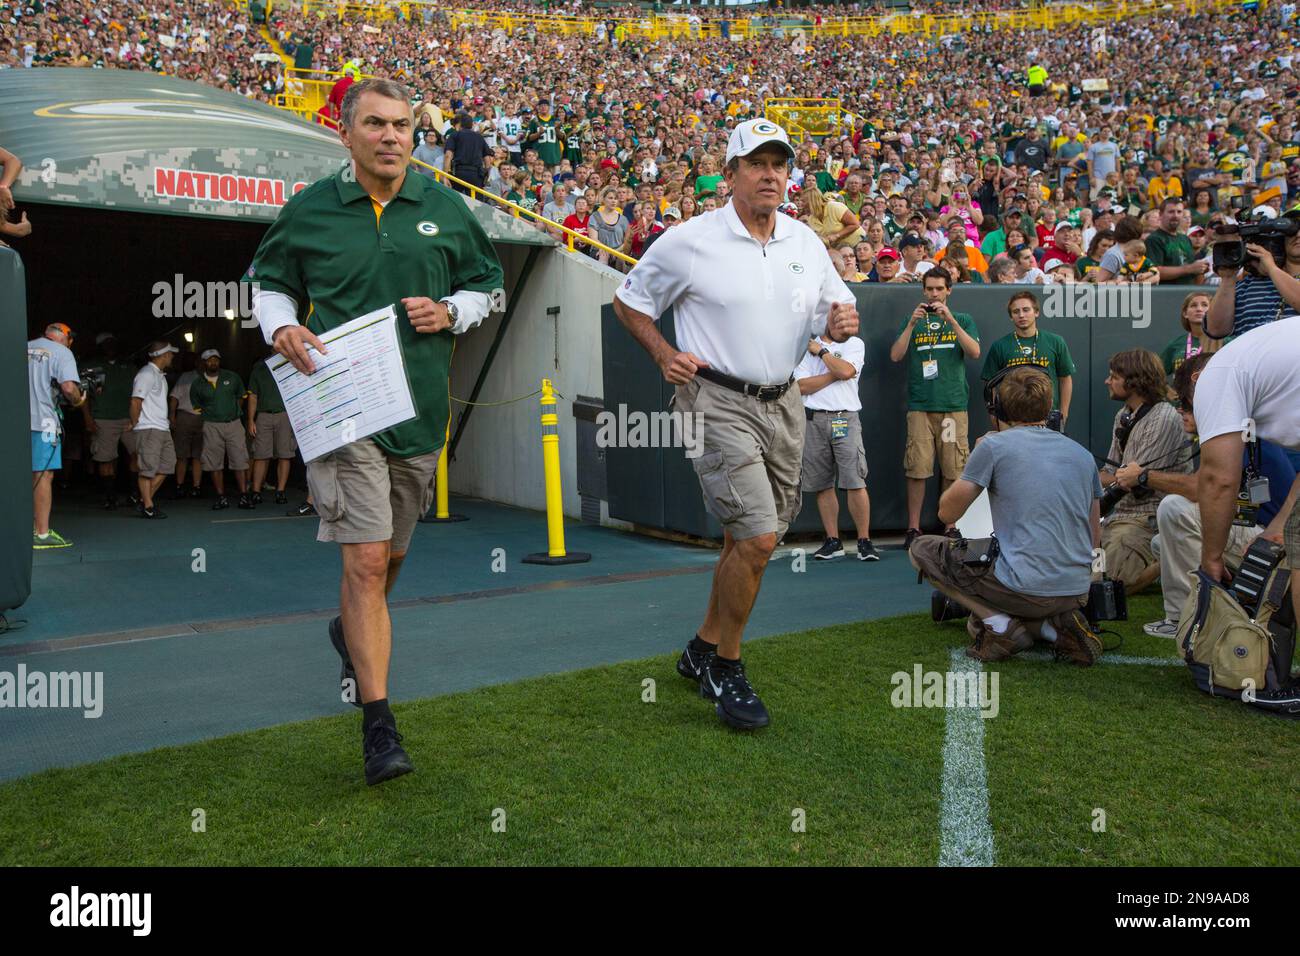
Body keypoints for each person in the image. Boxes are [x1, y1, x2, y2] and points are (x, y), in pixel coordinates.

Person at [247, 78, 503, 785]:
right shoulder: (310, 210)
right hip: (342, 409)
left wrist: (454, 310)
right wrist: (284, 324)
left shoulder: (445, 207)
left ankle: (348, 634)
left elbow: (490, 285)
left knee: (386, 560)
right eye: (377, 125)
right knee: (363, 563)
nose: (392, 137)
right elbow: (267, 282)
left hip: (419, 413)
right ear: (345, 133)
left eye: (402, 126)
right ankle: (379, 725)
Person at [612, 118, 859, 731]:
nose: (771, 173)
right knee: (757, 539)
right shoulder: (690, 240)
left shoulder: (804, 240)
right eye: (757, 163)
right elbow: (629, 300)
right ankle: (728, 665)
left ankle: (700, 646)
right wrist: (664, 354)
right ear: (731, 175)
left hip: (784, 401)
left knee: (746, 539)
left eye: (779, 163)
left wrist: (838, 325)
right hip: (714, 400)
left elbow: (835, 310)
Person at [910, 365, 1102, 664]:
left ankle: (1001, 625)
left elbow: (947, 511)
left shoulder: (994, 446)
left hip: (1023, 587)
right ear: (1048, 406)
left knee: (921, 550)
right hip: (1077, 589)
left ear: (998, 407)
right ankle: (1053, 628)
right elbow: (1094, 534)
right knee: (979, 618)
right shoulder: (1083, 454)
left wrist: (975, 460)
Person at [1139, 353, 1297, 637]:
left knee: (1175, 509)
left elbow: (1202, 488)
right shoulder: (1244, 415)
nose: (1180, 410)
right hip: (1263, 536)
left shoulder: (1234, 424)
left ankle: (1185, 620)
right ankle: (1233, 601)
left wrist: (1143, 476)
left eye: (1184, 402)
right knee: (1162, 543)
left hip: (1272, 545)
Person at [1194, 315, 1300, 642]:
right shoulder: (1256, 356)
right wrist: (1280, 524)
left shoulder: (1218, 375)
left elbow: (1219, 478)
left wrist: (1211, 558)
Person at [889, 267, 981, 548]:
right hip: (920, 407)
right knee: (917, 468)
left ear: (949, 290)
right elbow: (895, 356)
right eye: (929, 289)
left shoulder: (963, 318)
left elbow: (975, 352)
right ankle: (913, 528)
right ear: (923, 290)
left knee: (954, 468)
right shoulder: (912, 320)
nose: (934, 294)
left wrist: (950, 319)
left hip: (953, 406)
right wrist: (909, 325)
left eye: (939, 289)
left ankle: (951, 525)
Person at [1097, 349, 1193, 593]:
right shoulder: (1123, 415)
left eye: (1113, 376)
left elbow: (1131, 481)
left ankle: (1174, 554)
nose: (1107, 381)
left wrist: (1114, 478)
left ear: (1135, 380)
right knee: (1086, 573)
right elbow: (1112, 472)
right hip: (1118, 516)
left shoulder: (1164, 418)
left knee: (1114, 584)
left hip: (1149, 517)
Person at [795, 330, 880, 562]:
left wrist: (822, 354)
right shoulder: (806, 346)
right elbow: (801, 386)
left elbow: (847, 371)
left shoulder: (854, 343)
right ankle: (833, 541)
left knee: (854, 480)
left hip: (846, 417)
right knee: (822, 483)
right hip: (814, 419)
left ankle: (864, 541)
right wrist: (837, 373)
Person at [28, 322, 84, 550]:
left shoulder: (23, 346)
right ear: (65, 338)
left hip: (14, 421)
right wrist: (79, 400)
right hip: (44, 422)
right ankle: (41, 534)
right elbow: (69, 388)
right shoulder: (62, 352)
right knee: (43, 476)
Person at [981, 291, 1075, 424]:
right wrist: (995, 415)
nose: (1021, 315)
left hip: (1047, 415)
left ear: (1036, 312)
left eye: (1026, 310)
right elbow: (990, 384)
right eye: (1016, 311)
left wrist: (1063, 413)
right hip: (1011, 418)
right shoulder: (999, 346)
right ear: (1011, 317)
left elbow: (1066, 379)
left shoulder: (1055, 341)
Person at [1205, 209, 1300, 338]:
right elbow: (1216, 330)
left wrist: (1272, 269)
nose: (1298, 235)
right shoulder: (1247, 285)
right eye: (1292, 231)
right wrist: (1228, 278)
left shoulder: (1271, 270)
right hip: (1251, 357)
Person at [80, 332, 140, 510]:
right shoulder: (91, 367)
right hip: (103, 417)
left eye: (113, 343)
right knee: (106, 458)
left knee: (138, 454)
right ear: (100, 347)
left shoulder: (129, 366)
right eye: (106, 344)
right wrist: (88, 419)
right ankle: (110, 496)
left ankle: (134, 493)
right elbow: (83, 397)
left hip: (129, 417)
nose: (111, 347)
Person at [190, 349, 251, 511]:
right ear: (204, 363)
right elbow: (196, 406)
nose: (213, 363)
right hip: (211, 425)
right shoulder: (198, 383)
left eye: (216, 359)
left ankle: (244, 495)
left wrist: (233, 411)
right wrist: (211, 414)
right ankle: (221, 497)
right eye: (210, 360)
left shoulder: (232, 377)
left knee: (240, 459)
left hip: (233, 423)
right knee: (214, 462)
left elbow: (242, 397)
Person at [129, 342, 179, 519]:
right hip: (149, 428)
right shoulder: (146, 374)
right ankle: (148, 506)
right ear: (163, 355)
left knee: (168, 464)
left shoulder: (159, 375)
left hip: (161, 427)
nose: (172, 356)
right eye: (170, 353)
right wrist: (136, 423)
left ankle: (143, 500)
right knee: (148, 469)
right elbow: (136, 401)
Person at [247, 355, 296, 505]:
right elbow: (253, 396)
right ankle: (256, 491)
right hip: (264, 415)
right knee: (261, 455)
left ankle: (280, 491)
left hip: (284, 414)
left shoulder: (292, 363)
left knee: (285, 454)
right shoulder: (260, 367)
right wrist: (250, 420)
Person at [1144, 199, 1210, 284]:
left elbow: (1192, 269)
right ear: (1160, 215)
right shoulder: (1153, 239)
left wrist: (1201, 269)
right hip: (1168, 294)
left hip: (1188, 293)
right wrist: (1189, 268)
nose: (1175, 215)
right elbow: (1154, 271)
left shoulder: (1185, 238)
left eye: (1179, 212)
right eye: (1171, 212)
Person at [169, 357, 204, 498]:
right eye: (201, 361)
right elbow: (174, 397)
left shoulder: (213, 377)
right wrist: (172, 416)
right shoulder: (186, 377)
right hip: (185, 416)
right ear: (196, 362)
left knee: (198, 455)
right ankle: (179, 485)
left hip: (204, 418)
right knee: (182, 454)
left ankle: (197, 486)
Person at [443, 111, 489, 194]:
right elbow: (487, 159)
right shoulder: (479, 137)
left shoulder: (455, 135)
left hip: (459, 173)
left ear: (459, 124)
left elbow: (448, 155)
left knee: (455, 201)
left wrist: (445, 176)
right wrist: (485, 175)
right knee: (476, 204)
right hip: (476, 174)